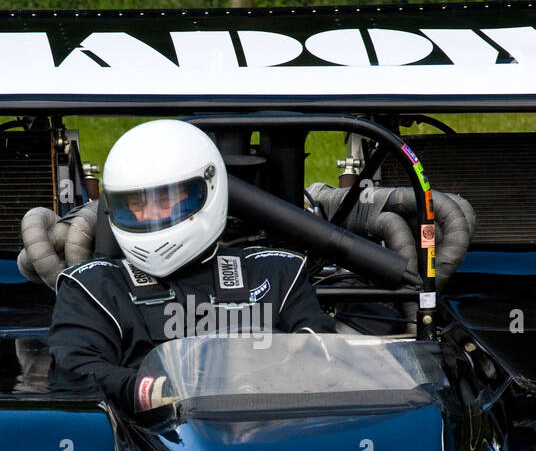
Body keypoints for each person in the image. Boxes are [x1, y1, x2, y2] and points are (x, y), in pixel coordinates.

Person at [48, 119, 334, 411]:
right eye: (136, 204)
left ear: (206, 191)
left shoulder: (276, 275)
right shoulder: (94, 288)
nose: (150, 215)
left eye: (165, 200)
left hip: (270, 429)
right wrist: (152, 390)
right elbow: (75, 369)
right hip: (153, 442)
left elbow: (323, 357)